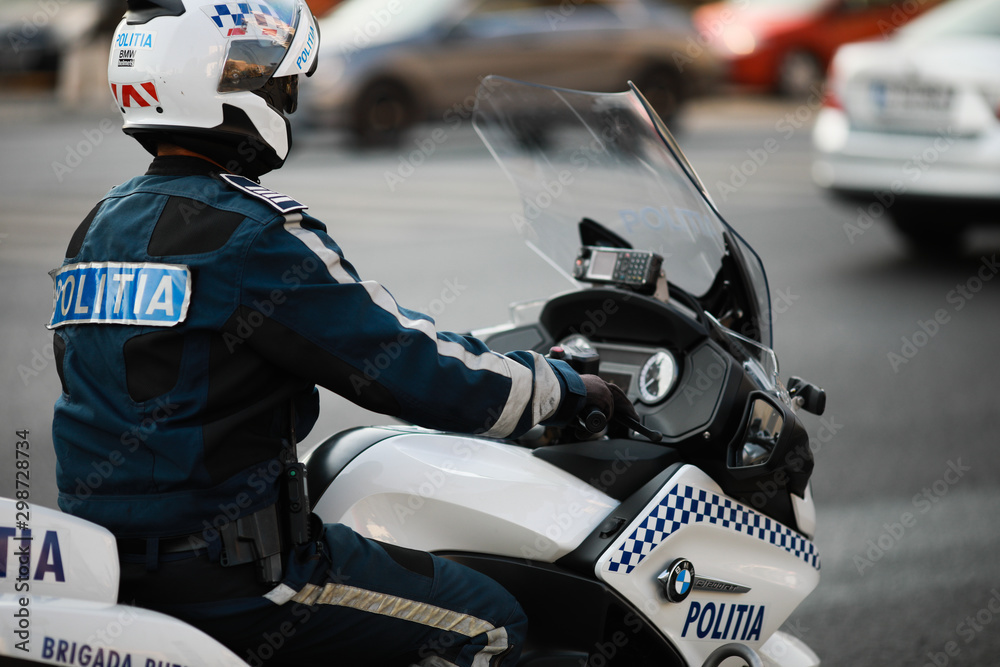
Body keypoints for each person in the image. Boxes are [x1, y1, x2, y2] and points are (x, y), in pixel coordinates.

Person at [49, 1, 636, 665]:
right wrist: (558, 389)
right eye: (279, 83)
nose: (288, 100)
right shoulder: (252, 235)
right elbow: (405, 362)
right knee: (493, 621)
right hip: (241, 578)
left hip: (111, 562)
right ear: (225, 86)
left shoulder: (100, 227)